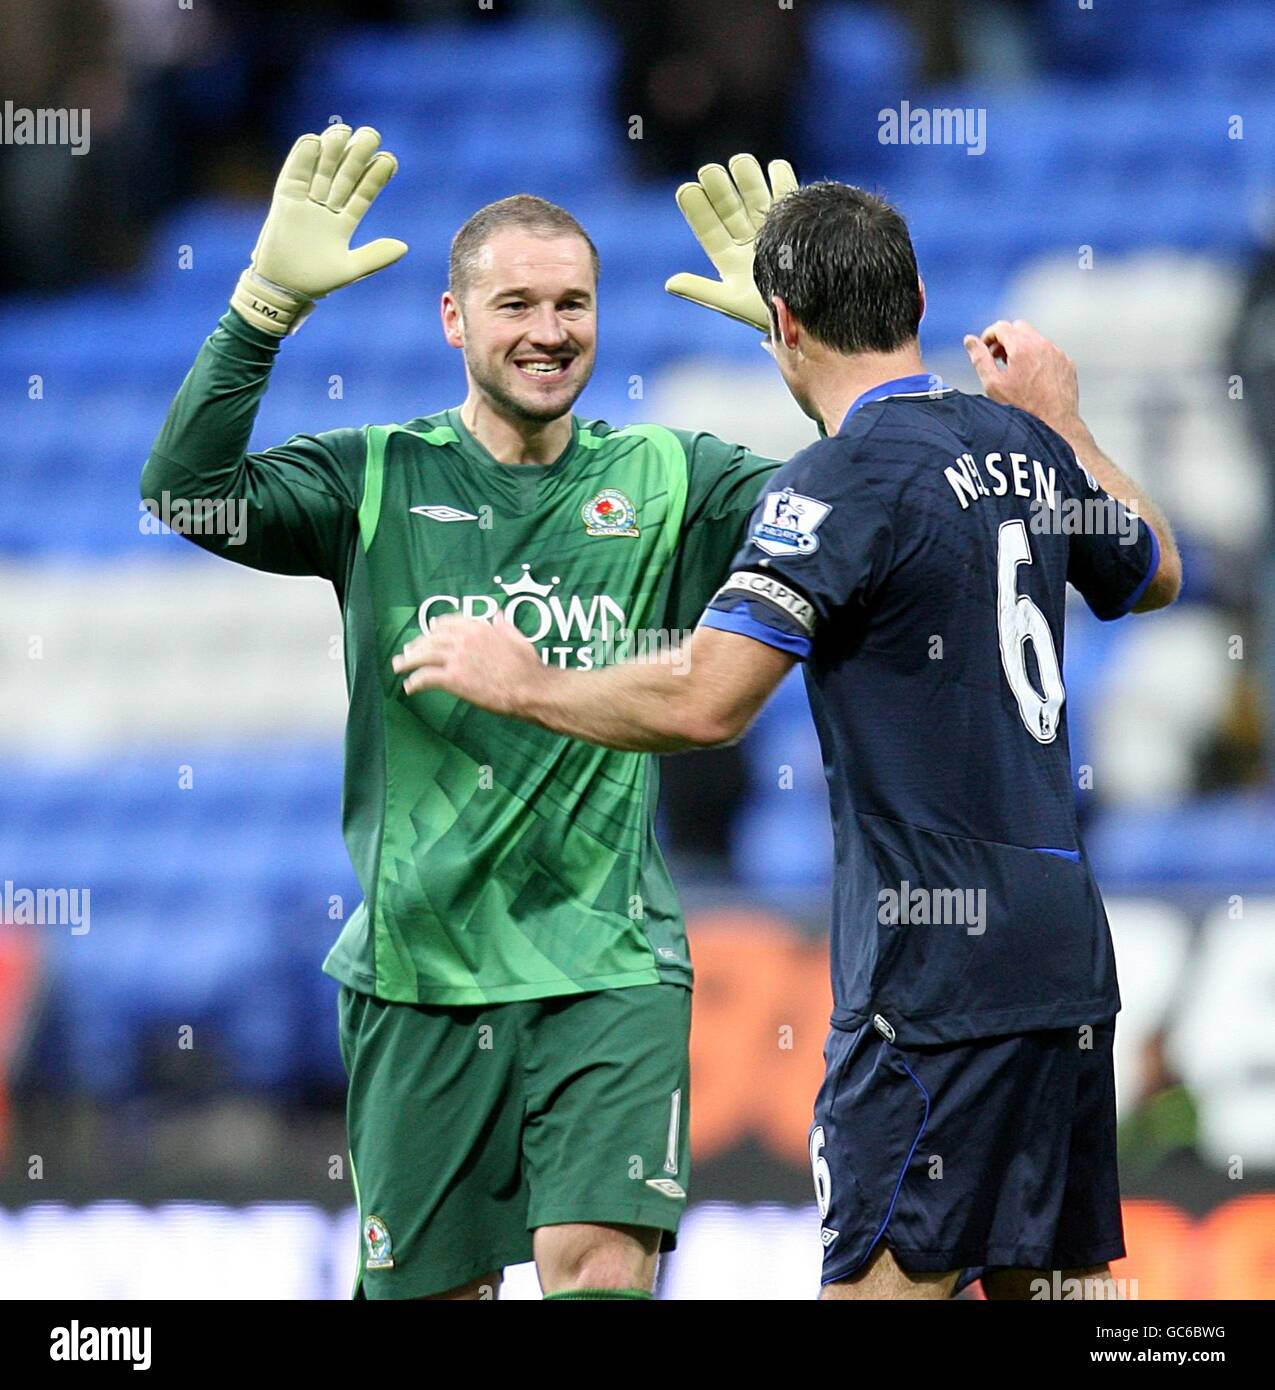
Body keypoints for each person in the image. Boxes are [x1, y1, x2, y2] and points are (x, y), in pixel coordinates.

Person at [395, 177, 1183, 1300]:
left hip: (929, 977)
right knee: (1065, 1288)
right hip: (1063, 950)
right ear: (915, 295)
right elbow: (1155, 568)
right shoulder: (1017, 447)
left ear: (783, 326)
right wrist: (1065, 418)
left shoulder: (834, 480)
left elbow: (707, 701)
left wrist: (527, 682)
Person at [141, 124, 790, 1299]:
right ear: (454, 321)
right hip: (417, 975)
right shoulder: (374, 475)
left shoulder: (669, 476)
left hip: (609, 964)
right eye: (517, 304)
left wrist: (810, 346)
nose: (549, 331)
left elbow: (878, 516)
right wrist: (263, 305)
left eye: (574, 304)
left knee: (598, 1271)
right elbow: (185, 491)